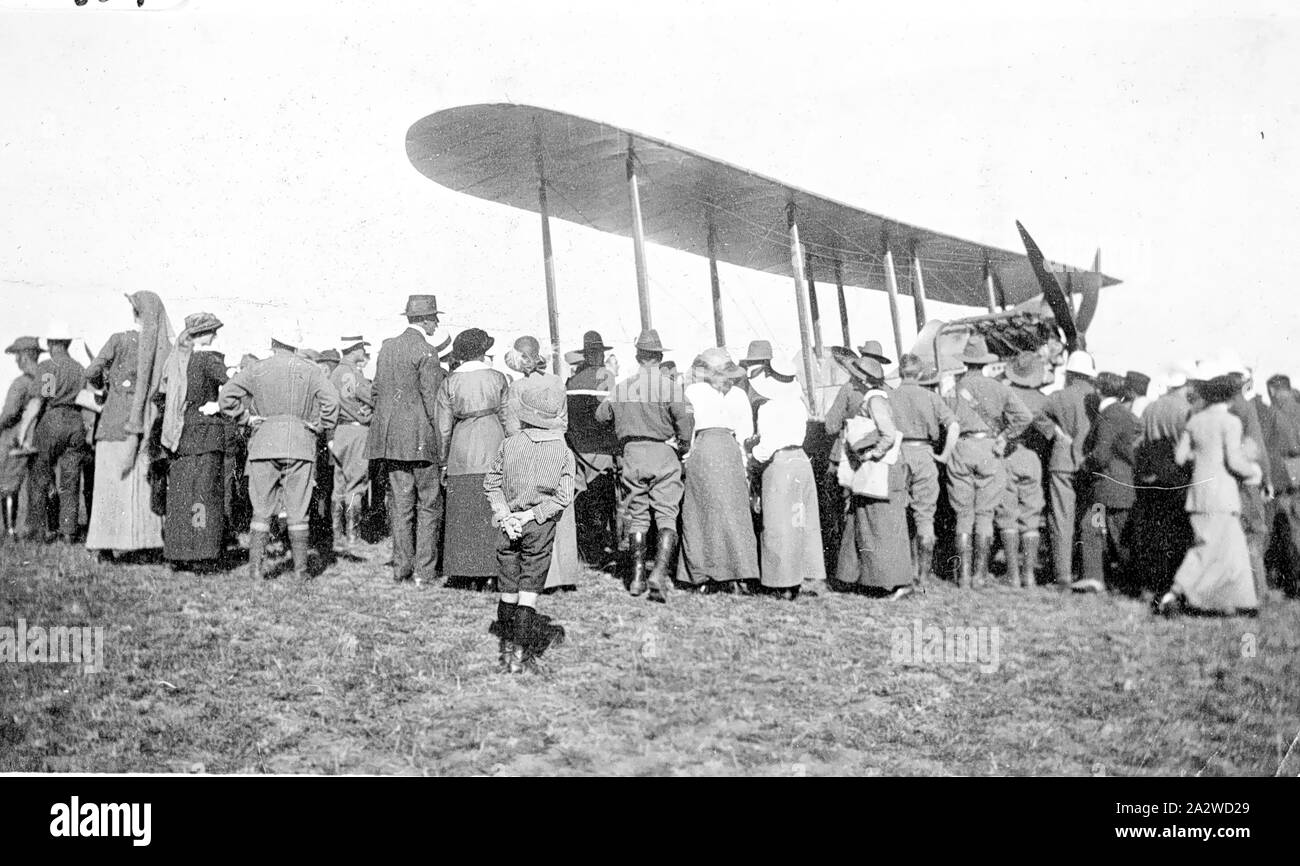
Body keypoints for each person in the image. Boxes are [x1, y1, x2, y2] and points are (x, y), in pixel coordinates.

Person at [220, 330, 338, 580]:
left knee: (261, 510)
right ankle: (301, 572)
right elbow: (331, 401)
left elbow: (226, 397)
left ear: (272, 343)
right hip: (299, 443)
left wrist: (245, 418)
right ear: (296, 345)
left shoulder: (256, 369)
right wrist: (320, 424)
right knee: (298, 510)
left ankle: (255, 571)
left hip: (263, 442)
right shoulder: (310, 370)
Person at [594, 329, 693, 602]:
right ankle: (658, 574)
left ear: (638, 356)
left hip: (632, 455)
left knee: (637, 516)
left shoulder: (622, 387)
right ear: (659, 358)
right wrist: (683, 445)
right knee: (666, 515)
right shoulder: (671, 387)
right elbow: (685, 423)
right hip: (663, 453)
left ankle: (636, 577)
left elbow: (601, 415)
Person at [485, 374, 574, 673]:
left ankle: (504, 649)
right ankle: (520, 656)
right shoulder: (563, 452)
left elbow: (491, 484)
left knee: (508, 589)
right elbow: (563, 498)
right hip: (539, 526)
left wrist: (505, 514)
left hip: (508, 523)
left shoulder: (509, 445)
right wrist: (532, 515)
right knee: (529, 593)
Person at [1157, 374, 1262, 617]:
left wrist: (1203, 458)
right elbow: (1235, 461)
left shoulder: (1195, 421)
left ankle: (1244, 603)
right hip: (1222, 495)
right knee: (1209, 548)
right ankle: (1175, 593)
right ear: (1229, 396)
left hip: (1199, 492)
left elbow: (1180, 457)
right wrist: (1253, 470)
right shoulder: (1231, 422)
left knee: (1232, 549)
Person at [366, 295, 446, 585]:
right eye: (434, 317)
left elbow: (376, 392)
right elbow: (433, 402)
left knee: (400, 504)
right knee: (429, 504)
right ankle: (424, 572)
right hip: (422, 440)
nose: (436, 323)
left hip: (391, 440)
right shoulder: (427, 351)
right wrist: (441, 445)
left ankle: (401, 568)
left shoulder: (387, 348)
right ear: (425, 320)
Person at [945, 335, 1032, 587]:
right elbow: (1024, 417)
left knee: (963, 514)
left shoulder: (952, 389)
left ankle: (962, 576)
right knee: (984, 514)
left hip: (961, 448)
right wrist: (1005, 436)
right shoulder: (1000, 388)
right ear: (984, 363)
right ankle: (980, 575)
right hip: (989, 449)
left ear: (965, 362)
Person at [677, 347, 760, 593]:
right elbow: (745, 433)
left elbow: (688, 429)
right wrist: (745, 465)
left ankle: (703, 574)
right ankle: (739, 572)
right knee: (734, 514)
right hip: (730, 452)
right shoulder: (739, 395)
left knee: (702, 513)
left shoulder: (692, 392)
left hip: (704, 451)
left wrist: (687, 458)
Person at [835, 353, 914, 598]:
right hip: (882, 470)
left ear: (863, 380)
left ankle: (895, 581)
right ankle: (867, 578)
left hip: (881, 470)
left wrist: (873, 454)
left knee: (881, 525)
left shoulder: (875, 401)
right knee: (869, 522)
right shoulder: (878, 397)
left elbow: (888, 433)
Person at [437, 327, 510, 589]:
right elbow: (507, 418)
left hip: (461, 448)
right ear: (483, 350)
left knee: (464, 514)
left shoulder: (450, 382)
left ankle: (465, 573)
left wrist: (443, 462)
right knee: (492, 512)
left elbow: (443, 428)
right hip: (494, 443)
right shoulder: (498, 378)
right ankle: (492, 573)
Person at [505, 335, 577, 591]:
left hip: (530, 449)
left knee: (535, 510)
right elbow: (564, 422)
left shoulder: (517, 388)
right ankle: (565, 575)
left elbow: (512, 429)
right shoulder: (557, 382)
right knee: (559, 506)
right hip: (557, 446)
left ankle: (540, 576)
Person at [159, 312, 231, 567]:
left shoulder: (176, 360)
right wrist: (218, 404)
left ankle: (179, 553)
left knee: (181, 496)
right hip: (206, 434)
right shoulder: (208, 360)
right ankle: (202, 553)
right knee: (204, 496)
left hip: (180, 433)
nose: (215, 335)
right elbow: (232, 387)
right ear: (203, 334)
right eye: (213, 331)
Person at [749, 356, 825, 598]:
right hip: (801, 461)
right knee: (799, 520)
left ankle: (781, 582)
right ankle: (800, 577)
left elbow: (767, 444)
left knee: (777, 524)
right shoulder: (797, 405)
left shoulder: (768, 408)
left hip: (779, 463)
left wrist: (754, 457)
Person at [890, 353, 959, 586]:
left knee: (898, 514)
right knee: (925, 516)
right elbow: (954, 426)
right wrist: (945, 455)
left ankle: (903, 571)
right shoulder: (931, 397)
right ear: (919, 373)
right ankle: (924, 577)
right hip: (925, 455)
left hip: (897, 456)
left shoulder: (890, 396)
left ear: (900, 372)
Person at [1035, 349, 1098, 586]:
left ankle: (1062, 575)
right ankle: (1090, 572)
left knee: (1061, 519)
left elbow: (1037, 416)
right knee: (1092, 517)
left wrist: (1056, 433)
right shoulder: (1096, 398)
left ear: (1070, 373)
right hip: (1089, 464)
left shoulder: (1058, 396)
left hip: (1061, 463)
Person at [1131, 367, 1195, 596]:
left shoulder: (1150, 407)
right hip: (1175, 477)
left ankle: (1150, 581)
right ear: (1186, 385)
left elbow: (1138, 440)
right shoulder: (1186, 410)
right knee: (1174, 532)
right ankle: (1169, 581)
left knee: (1152, 533)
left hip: (1149, 475)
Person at [1075, 372, 1140, 593]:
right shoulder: (1124, 413)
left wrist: (1084, 464)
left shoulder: (1108, 416)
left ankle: (1099, 578)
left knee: (1099, 529)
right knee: (1114, 533)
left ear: (1099, 390)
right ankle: (1128, 581)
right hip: (1121, 486)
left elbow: (1101, 455)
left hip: (1106, 488)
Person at [28, 324, 91, 543]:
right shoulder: (79, 367)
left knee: (40, 475)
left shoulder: (48, 366)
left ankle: (41, 529)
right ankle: (68, 532)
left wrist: (25, 431)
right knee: (71, 480)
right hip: (75, 422)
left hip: (51, 420)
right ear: (68, 343)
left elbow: (39, 400)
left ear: (51, 343)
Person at [563, 331, 618, 566]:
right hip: (600, 449)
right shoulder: (606, 376)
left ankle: (584, 547)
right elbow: (611, 414)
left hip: (577, 448)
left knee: (582, 498)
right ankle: (599, 549)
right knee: (601, 498)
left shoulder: (572, 380)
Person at [998, 351, 1050, 588]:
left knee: (1007, 512)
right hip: (1032, 458)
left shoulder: (1003, 395)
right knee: (1031, 516)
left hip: (1008, 455)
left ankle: (1012, 574)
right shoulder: (1042, 400)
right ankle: (1028, 574)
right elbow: (1049, 433)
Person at [329, 337, 374, 555]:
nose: (364, 352)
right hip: (357, 432)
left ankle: (337, 534)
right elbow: (373, 397)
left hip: (339, 432)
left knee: (339, 485)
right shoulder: (351, 375)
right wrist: (369, 410)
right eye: (362, 348)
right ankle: (353, 534)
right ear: (355, 349)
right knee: (356, 485)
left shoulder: (335, 373)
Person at [1262, 374, 1300, 596]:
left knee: (1289, 526)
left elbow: (1273, 446)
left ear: (1273, 390)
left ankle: (1291, 579)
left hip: (1286, 472)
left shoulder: (1274, 412)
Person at [1, 336, 42, 540]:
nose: (16, 359)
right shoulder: (45, 378)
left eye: (17, 355)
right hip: (40, 437)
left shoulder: (20, 383)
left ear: (25, 356)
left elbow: (9, 413)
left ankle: (10, 530)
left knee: (9, 484)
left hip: (16, 438)